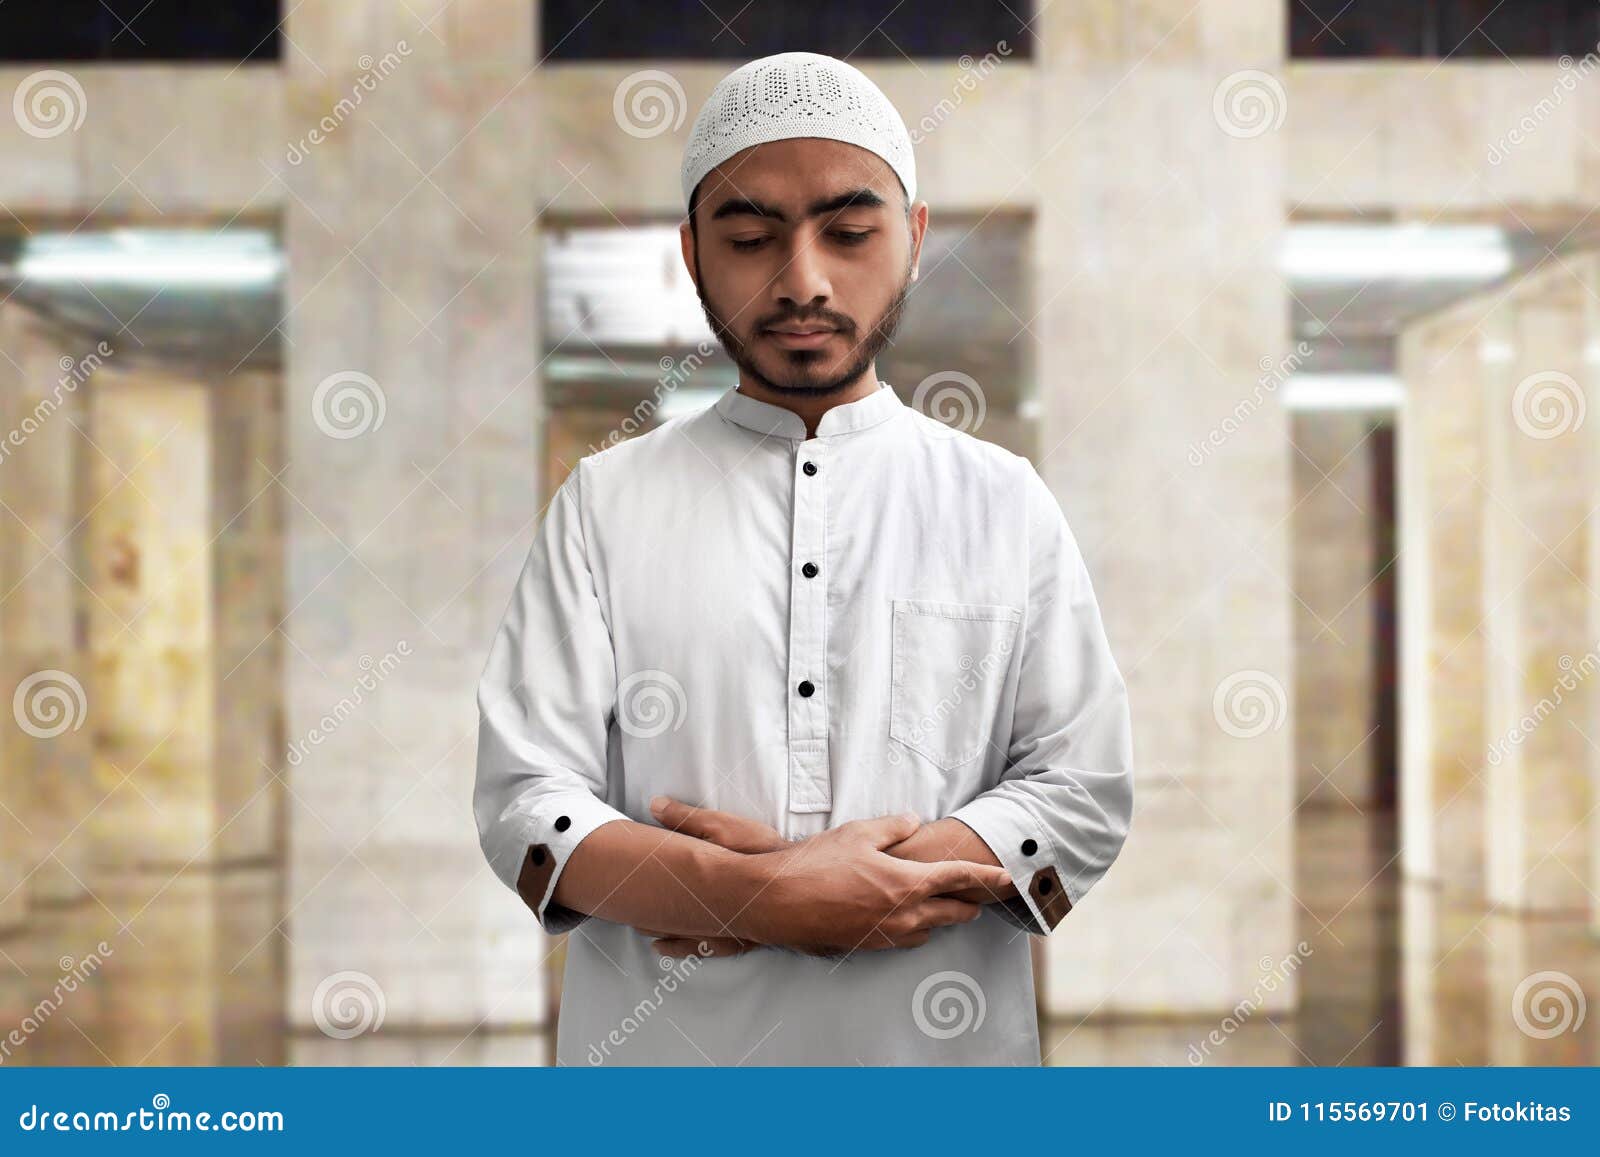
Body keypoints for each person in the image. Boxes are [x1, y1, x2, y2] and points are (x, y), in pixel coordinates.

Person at [475, 50, 1134, 1065]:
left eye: (850, 231)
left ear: (912, 241)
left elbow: (1079, 785)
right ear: (693, 252)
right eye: (749, 237)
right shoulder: (606, 504)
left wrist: (857, 893)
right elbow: (526, 802)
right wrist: (770, 894)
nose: (802, 281)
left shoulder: (1002, 502)